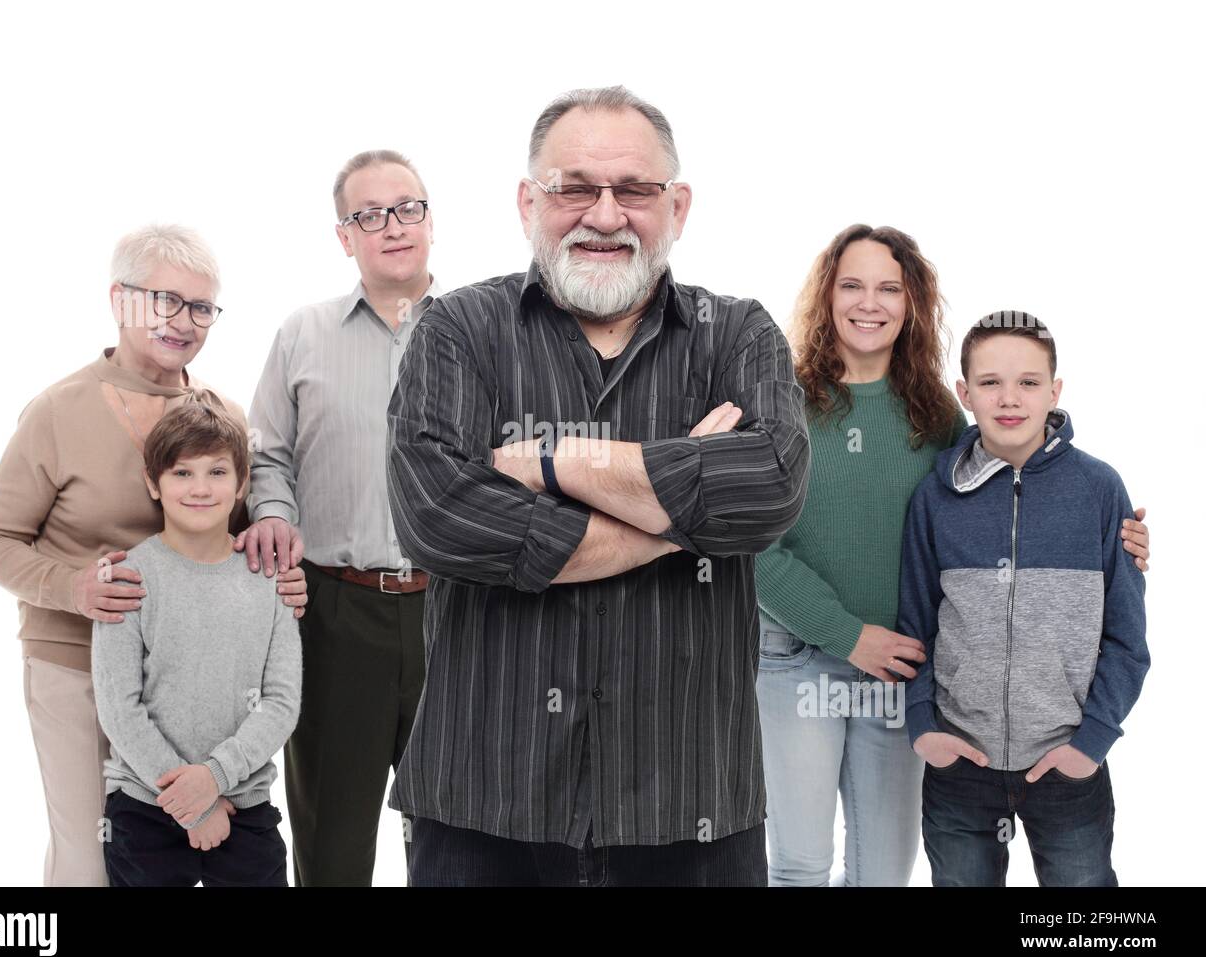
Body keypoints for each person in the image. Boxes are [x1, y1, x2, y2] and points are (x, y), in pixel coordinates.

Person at [385, 85, 810, 887]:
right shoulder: (456, 331)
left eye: (635, 191)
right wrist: (681, 503)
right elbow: (440, 516)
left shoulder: (740, 333)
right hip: (484, 805)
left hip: (691, 809)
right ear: (527, 203)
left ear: (676, 205)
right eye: (575, 188)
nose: (605, 215)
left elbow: (770, 488)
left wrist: (549, 462)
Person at [752, 225, 1151, 886]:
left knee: (884, 871)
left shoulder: (935, 416)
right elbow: (749, 544)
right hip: (797, 658)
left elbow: (1010, 495)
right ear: (825, 296)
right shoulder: (781, 404)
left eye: (889, 288)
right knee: (801, 862)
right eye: (851, 284)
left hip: (902, 671)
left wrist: (1119, 540)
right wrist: (847, 635)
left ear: (911, 305)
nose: (869, 302)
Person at [0, 224, 308, 886]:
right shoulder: (58, 411)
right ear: (121, 300)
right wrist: (76, 589)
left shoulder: (222, 418)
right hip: (74, 664)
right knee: (88, 853)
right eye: (165, 301)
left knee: (188, 835)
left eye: (202, 307)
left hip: (189, 670)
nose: (184, 322)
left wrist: (278, 574)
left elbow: (240, 533)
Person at [243, 149, 441, 885]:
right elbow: (267, 456)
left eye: (407, 208)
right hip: (333, 612)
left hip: (455, 614)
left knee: (457, 832)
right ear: (344, 236)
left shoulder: (481, 331)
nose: (392, 226)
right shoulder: (304, 334)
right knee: (332, 842)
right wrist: (272, 516)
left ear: (429, 220)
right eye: (369, 214)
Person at [899, 313, 1150, 886]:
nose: (1009, 398)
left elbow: (1127, 639)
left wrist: (1091, 742)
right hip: (959, 762)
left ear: (1055, 392)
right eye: (990, 383)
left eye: (1029, 382)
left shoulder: (1099, 489)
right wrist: (923, 727)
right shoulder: (936, 498)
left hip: (1068, 767)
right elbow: (915, 626)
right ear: (964, 393)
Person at [92, 400, 302, 886]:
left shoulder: (270, 580)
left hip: (244, 804)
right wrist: (191, 802)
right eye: (182, 472)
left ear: (242, 482)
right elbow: (120, 708)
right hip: (146, 807)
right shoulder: (129, 577)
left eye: (216, 471)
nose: (201, 488)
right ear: (153, 483)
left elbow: (280, 702)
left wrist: (214, 779)